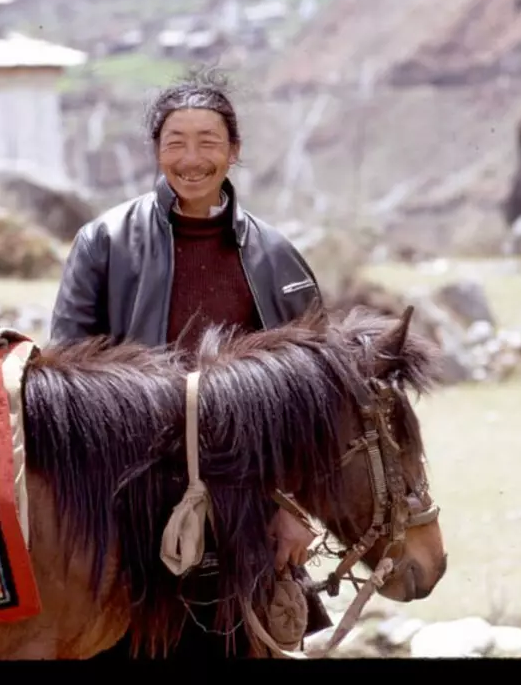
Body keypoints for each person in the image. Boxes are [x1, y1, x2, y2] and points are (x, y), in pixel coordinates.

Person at [49, 75, 330, 659]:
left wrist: (296, 510)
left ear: (234, 151)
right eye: (176, 142)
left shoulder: (275, 256)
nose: (192, 159)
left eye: (209, 142)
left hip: (244, 497)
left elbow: (315, 403)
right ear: (156, 151)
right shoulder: (104, 242)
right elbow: (65, 380)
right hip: (126, 496)